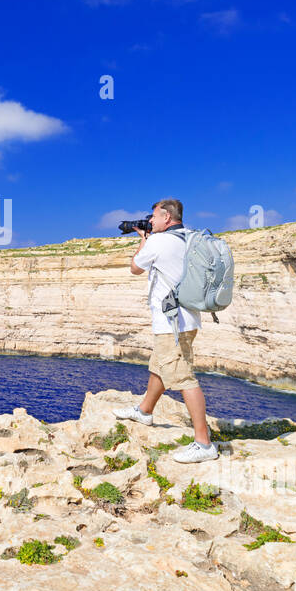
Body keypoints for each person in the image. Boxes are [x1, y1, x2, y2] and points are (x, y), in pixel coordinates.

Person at [114, 198, 218, 463]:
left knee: (184, 378)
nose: (150, 221)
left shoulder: (159, 242)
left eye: (154, 217)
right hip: (188, 319)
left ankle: (203, 444)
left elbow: (136, 267)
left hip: (171, 322)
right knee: (159, 365)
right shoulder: (189, 238)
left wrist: (143, 239)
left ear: (167, 218)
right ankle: (145, 411)